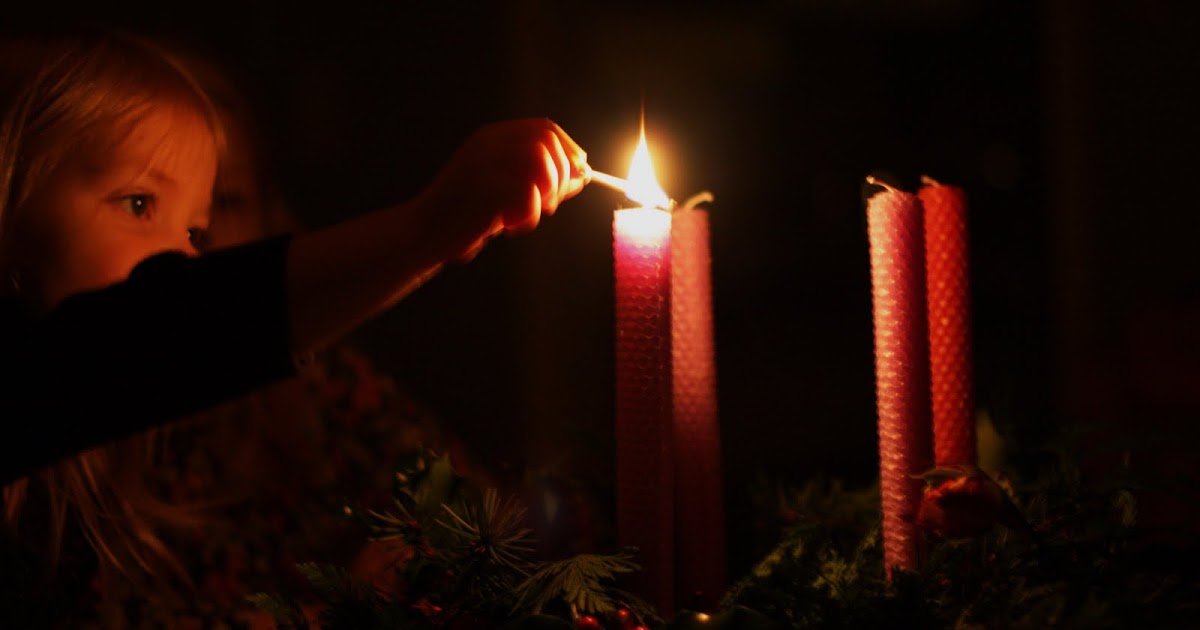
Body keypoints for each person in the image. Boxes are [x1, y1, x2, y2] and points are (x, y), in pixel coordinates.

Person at [0, 25, 590, 626]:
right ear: (10, 203)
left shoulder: (293, 392)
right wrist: (431, 227)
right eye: (138, 204)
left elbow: (482, 501)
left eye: (196, 231)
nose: (183, 262)